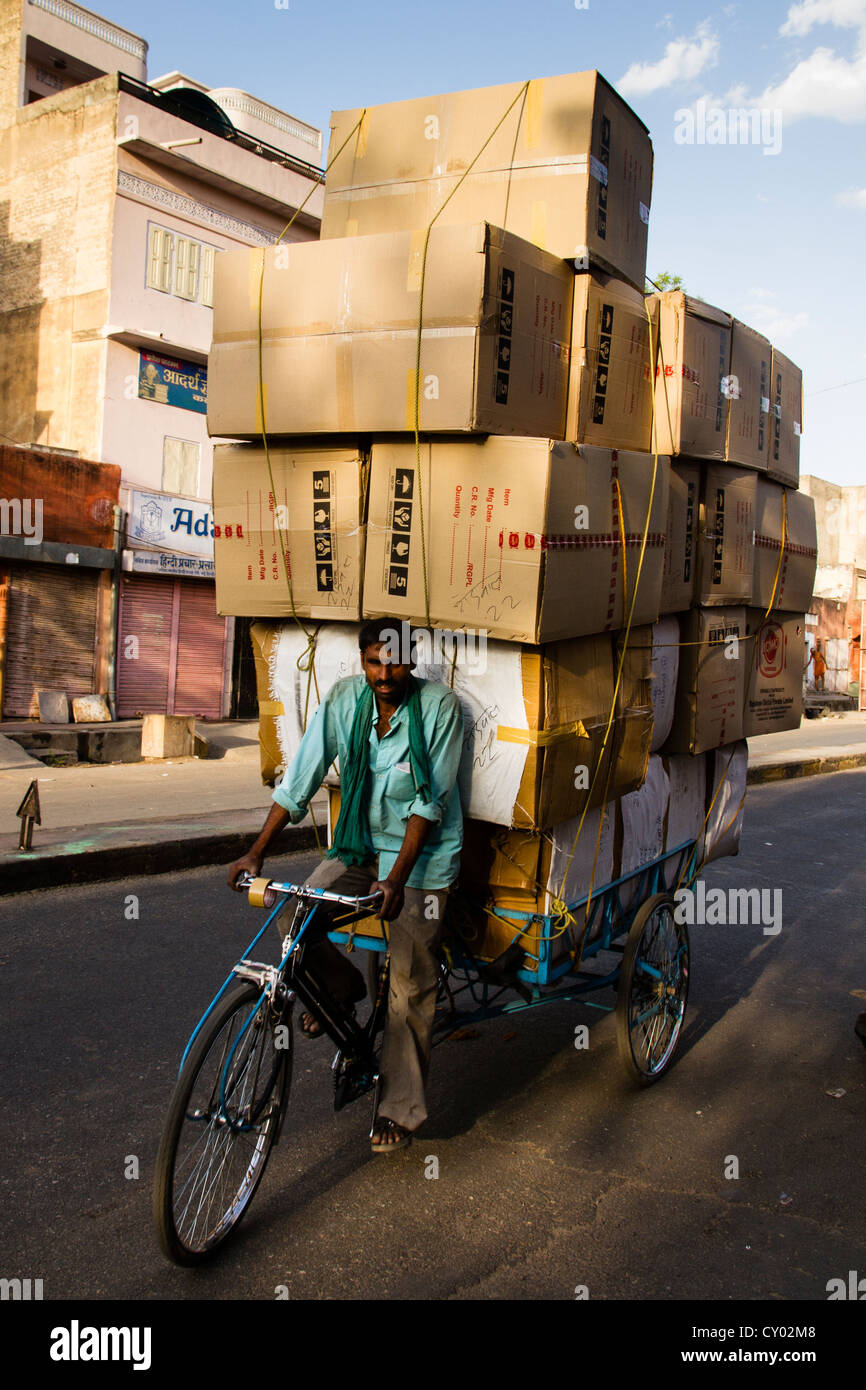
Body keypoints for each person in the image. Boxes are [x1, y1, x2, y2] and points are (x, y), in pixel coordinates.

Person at [228, 618, 464, 1153]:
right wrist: (256, 851)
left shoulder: (439, 710)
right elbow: (301, 777)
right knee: (293, 916)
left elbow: (430, 804)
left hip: (420, 862)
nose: (385, 674)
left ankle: (399, 1111)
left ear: (414, 658)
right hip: (359, 847)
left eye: (395, 662)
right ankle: (344, 989)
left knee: (408, 984)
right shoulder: (343, 700)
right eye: (374, 662)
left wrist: (396, 881)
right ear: (362, 659)